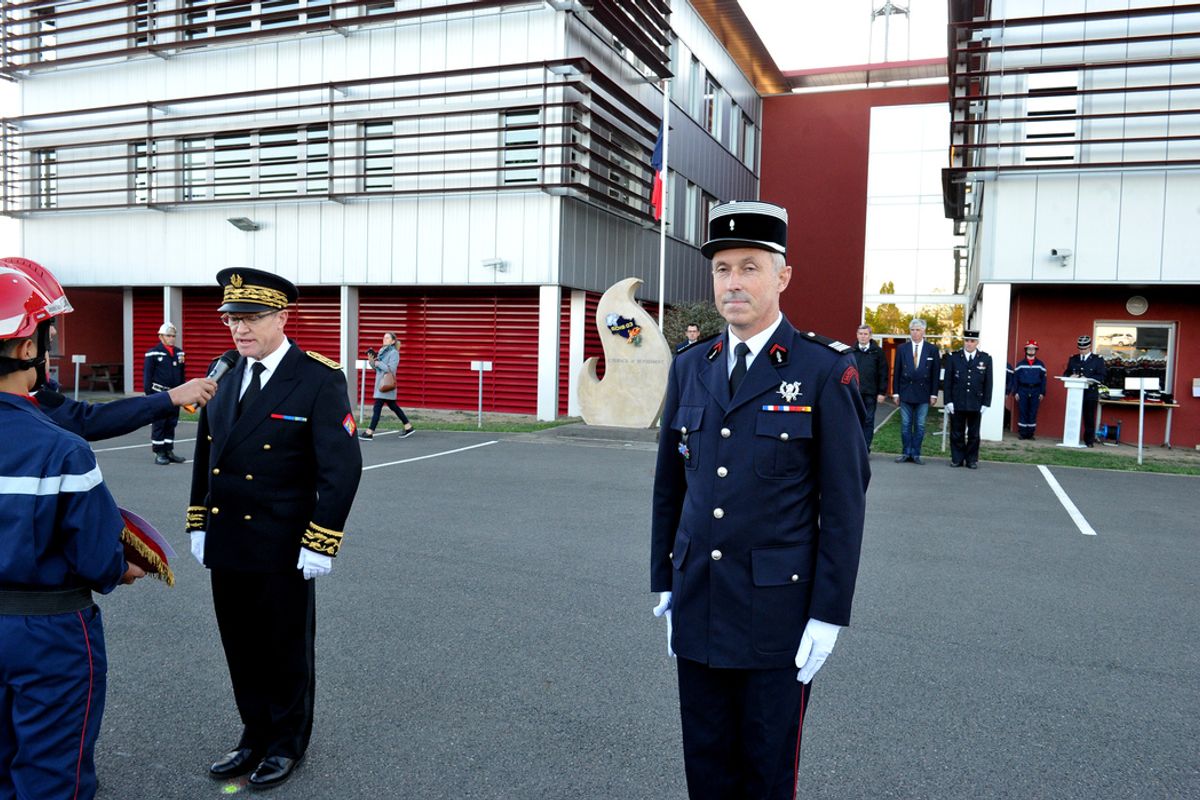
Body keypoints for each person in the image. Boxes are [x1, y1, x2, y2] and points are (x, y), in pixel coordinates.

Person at [651, 200, 869, 800]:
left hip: (778, 615)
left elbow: (844, 504)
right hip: (698, 603)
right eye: (722, 269)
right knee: (706, 766)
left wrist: (829, 611)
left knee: (767, 774)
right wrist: (666, 580)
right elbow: (671, 485)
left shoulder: (824, 370)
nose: (734, 283)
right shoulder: (693, 365)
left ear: (782, 276)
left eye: (750, 266)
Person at [187, 268, 362, 789]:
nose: (239, 329)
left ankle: (286, 743)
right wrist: (199, 519)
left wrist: (321, 537)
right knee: (239, 644)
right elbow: (207, 454)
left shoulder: (317, 378)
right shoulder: (224, 369)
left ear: (283, 317)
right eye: (231, 318)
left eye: (251, 318)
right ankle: (253, 734)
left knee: (284, 648)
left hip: (284, 542)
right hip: (229, 538)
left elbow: (340, 467)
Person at [0, 263, 146, 800]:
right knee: (52, 774)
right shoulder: (60, 448)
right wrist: (122, 567)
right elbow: (95, 555)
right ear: (24, 349)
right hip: (47, 632)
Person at [0, 256, 217, 441]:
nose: (54, 333)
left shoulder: (34, 399)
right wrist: (170, 397)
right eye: (47, 324)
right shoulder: (52, 436)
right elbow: (87, 419)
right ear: (26, 349)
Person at [891, 319, 940, 464]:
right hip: (906, 392)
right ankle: (906, 452)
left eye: (918, 330)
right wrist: (896, 393)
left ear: (924, 331)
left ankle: (916, 454)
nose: (915, 332)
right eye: (912, 330)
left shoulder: (932, 349)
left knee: (920, 425)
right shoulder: (902, 348)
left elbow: (935, 373)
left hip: (924, 393)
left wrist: (933, 394)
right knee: (905, 425)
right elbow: (897, 371)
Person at [943, 330, 993, 469]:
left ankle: (971, 459)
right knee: (956, 432)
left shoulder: (985, 358)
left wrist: (986, 403)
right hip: (957, 402)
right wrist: (948, 401)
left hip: (976, 402)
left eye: (972, 341)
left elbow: (988, 383)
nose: (969, 343)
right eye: (967, 341)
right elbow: (948, 382)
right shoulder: (953, 358)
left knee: (974, 434)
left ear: (977, 342)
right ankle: (957, 459)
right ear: (963, 341)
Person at [144, 321, 187, 464]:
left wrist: (183, 392)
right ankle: (159, 452)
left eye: (173, 336)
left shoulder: (179, 353)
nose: (172, 339)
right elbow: (148, 375)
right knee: (160, 423)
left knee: (171, 422)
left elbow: (181, 374)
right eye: (168, 336)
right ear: (161, 337)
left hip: (175, 393)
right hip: (158, 393)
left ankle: (169, 450)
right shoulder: (153, 353)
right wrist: (149, 394)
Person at [360, 331, 414, 440]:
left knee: (377, 407)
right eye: (384, 337)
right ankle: (408, 427)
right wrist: (372, 361)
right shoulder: (382, 351)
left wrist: (378, 363)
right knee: (393, 406)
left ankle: (369, 432)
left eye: (387, 338)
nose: (384, 339)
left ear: (393, 341)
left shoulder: (394, 353)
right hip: (382, 384)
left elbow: (391, 369)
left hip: (387, 384)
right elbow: (378, 369)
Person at [1063, 334, 1107, 447]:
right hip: (1075, 393)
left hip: (1090, 393)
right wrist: (1070, 376)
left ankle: (1089, 440)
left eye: (1084, 349)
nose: (1082, 351)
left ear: (1089, 347)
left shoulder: (1097, 360)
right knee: (1073, 415)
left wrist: (1087, 379)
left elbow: (1102, 376)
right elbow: (1066, 373)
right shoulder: (1073, 359)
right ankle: (1071, 438)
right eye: (1080, 348)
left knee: (1089, 417)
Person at [852, 323, 888, 451]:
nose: (862, 336)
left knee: (868, 421)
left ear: (870, 336)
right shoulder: (851, 351)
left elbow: (883, 373)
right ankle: (855, 448)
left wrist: (882, 392)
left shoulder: (877, 352)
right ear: (857, 335)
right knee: (855, 421)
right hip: (854, 393)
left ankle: (865, 449)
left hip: (871, 394)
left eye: (865, 334)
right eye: (860, 334)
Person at [1012, 339, 1047, 440]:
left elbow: (1044, 380)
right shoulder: (1020, 364)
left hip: (1036, 390)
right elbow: (1015, 379)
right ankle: (1022, 433)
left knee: (1033, 412)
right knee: (1023, 411)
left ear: (1036, 350)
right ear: (1026, 350)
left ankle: (1030, 434)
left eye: (1033, 349)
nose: (1031, 351)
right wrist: (1016, 392)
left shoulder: (1041, 364)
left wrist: (1042, 392)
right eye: (1029, 349)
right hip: (1022, 390)